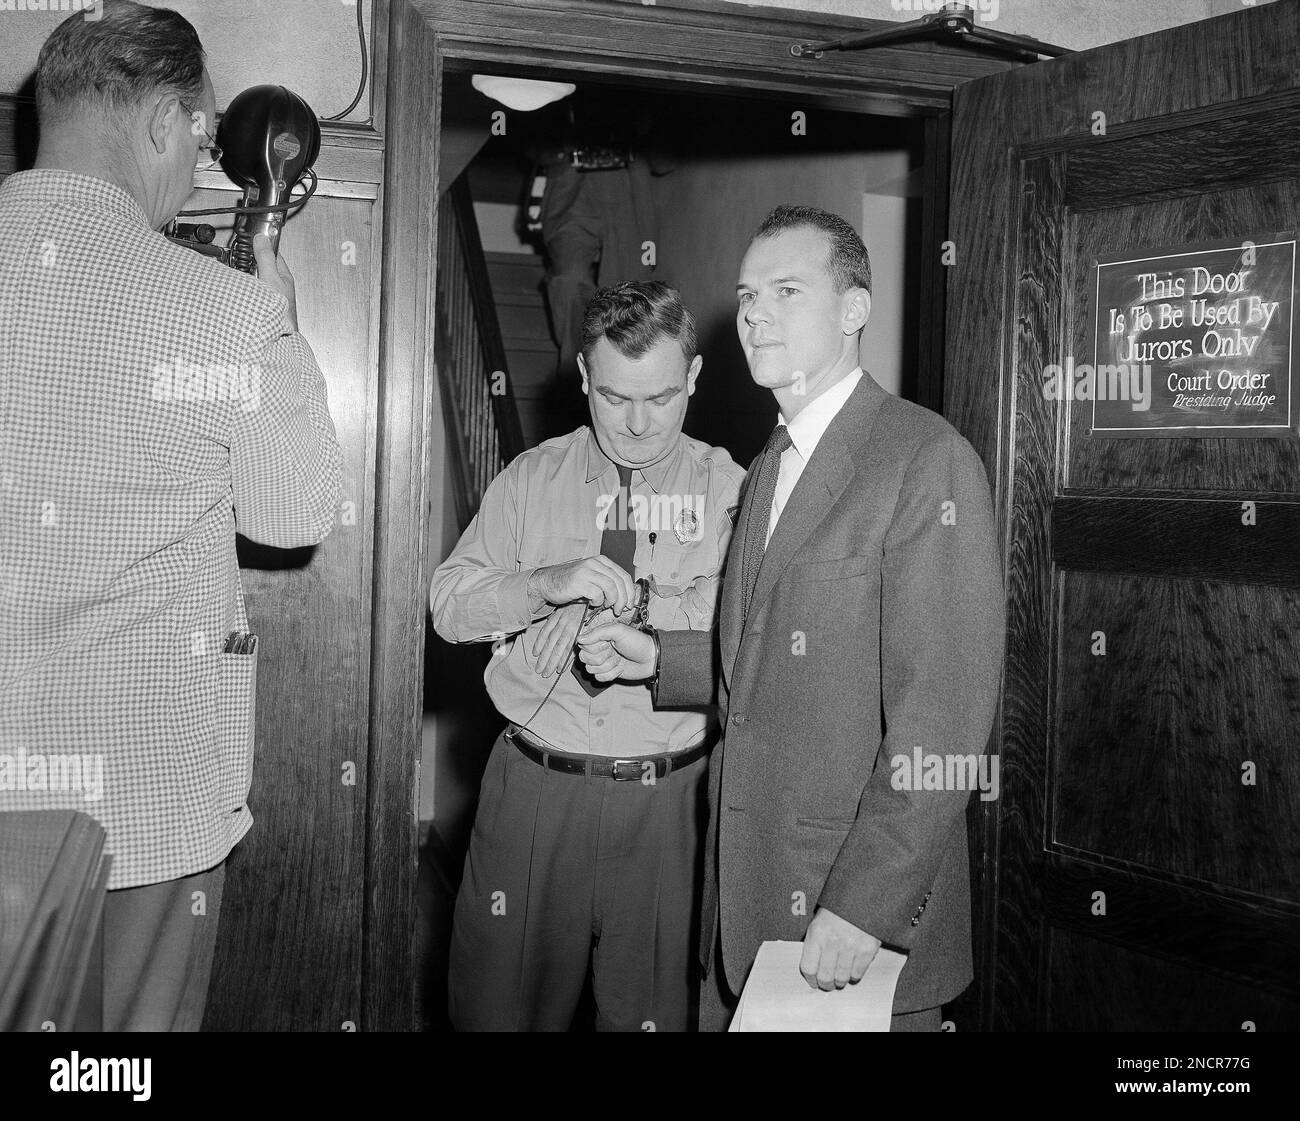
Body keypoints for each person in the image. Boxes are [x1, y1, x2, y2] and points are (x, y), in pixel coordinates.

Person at [579, 205, 1005, 1032]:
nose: (753, 314)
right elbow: (797, 649)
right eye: (745, 295)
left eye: (785, 290)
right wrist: (662, 658)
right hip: (747, 908)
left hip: (847, 930)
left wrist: (861, 906)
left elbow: (945, 720)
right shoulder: (774, 459)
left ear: (854, 311)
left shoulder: (924, 459)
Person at [0, 2, 342, 1030]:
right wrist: (271, 303)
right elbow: (297, 513)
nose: (198, 165)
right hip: (135, 809)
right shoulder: (221, 308)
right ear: (159, 123)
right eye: (199, 137)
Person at [430, 281, 745, 1031]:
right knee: (498, 1015)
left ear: (694, 379)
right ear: (581, 376)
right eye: (614, 398)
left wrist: (634, 602)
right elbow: (449, 605)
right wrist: (548, 583)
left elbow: (747, 619)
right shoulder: (532, 478)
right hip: (536, 797)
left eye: (662, 398)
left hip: (672, 809)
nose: (637, 425)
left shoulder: (735, 489)